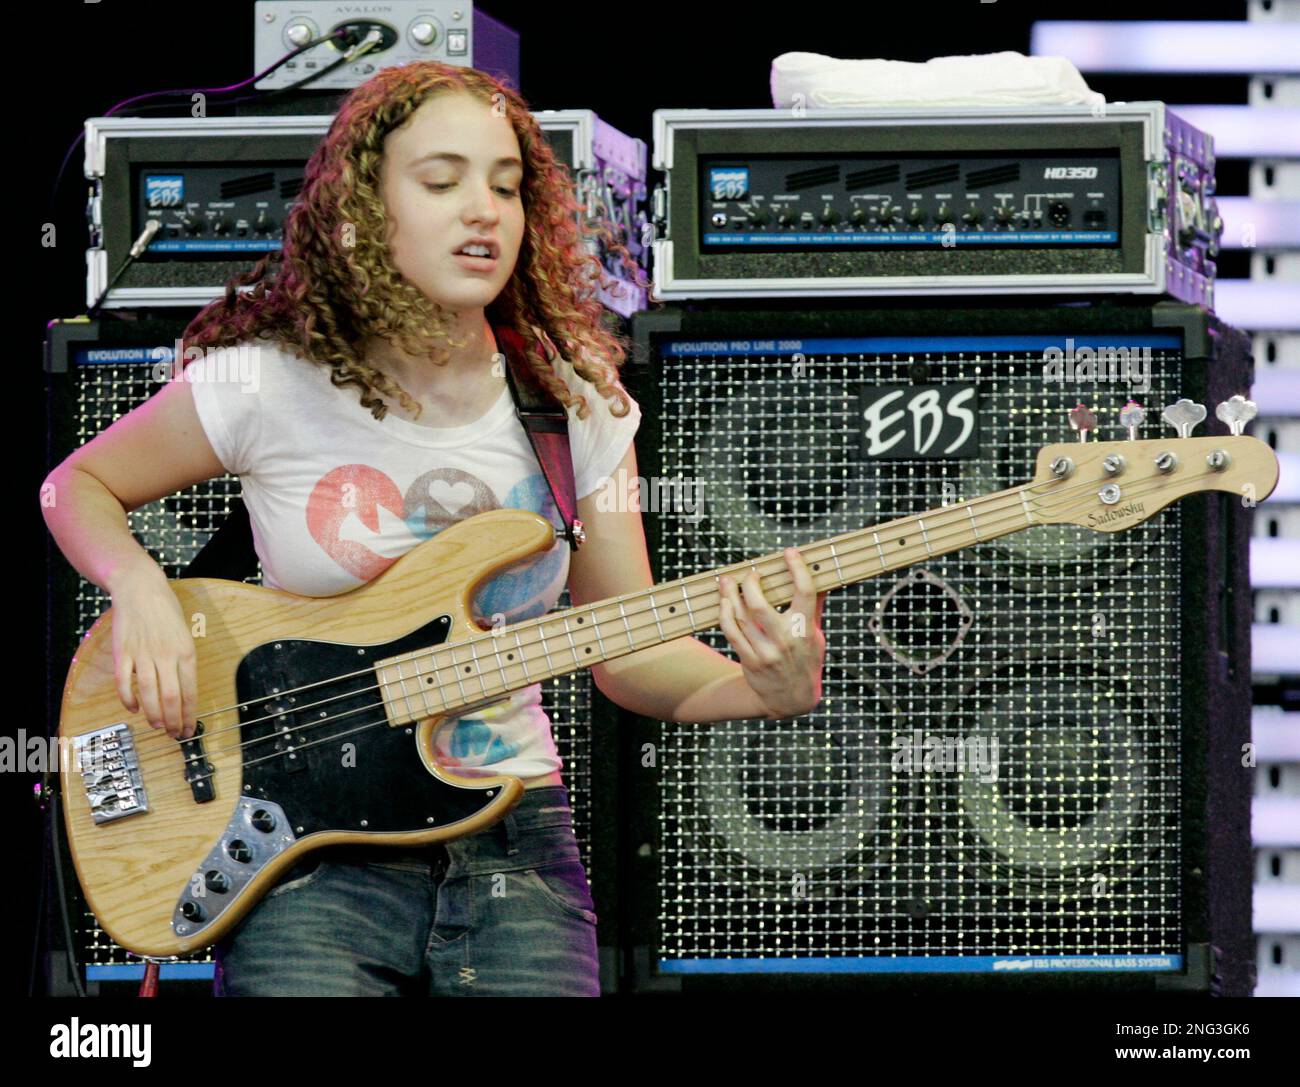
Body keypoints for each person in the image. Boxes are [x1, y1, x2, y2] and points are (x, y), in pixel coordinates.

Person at [40, 61, 828, 996]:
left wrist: (766, 688)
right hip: (306, 858)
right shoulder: (265, 380)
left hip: (513, 841)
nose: (484, 210)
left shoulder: (574, 402)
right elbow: (74, 485)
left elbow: (626, 645)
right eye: (443, 180)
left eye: (504, 184)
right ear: (365, 213)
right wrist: (140, 589)